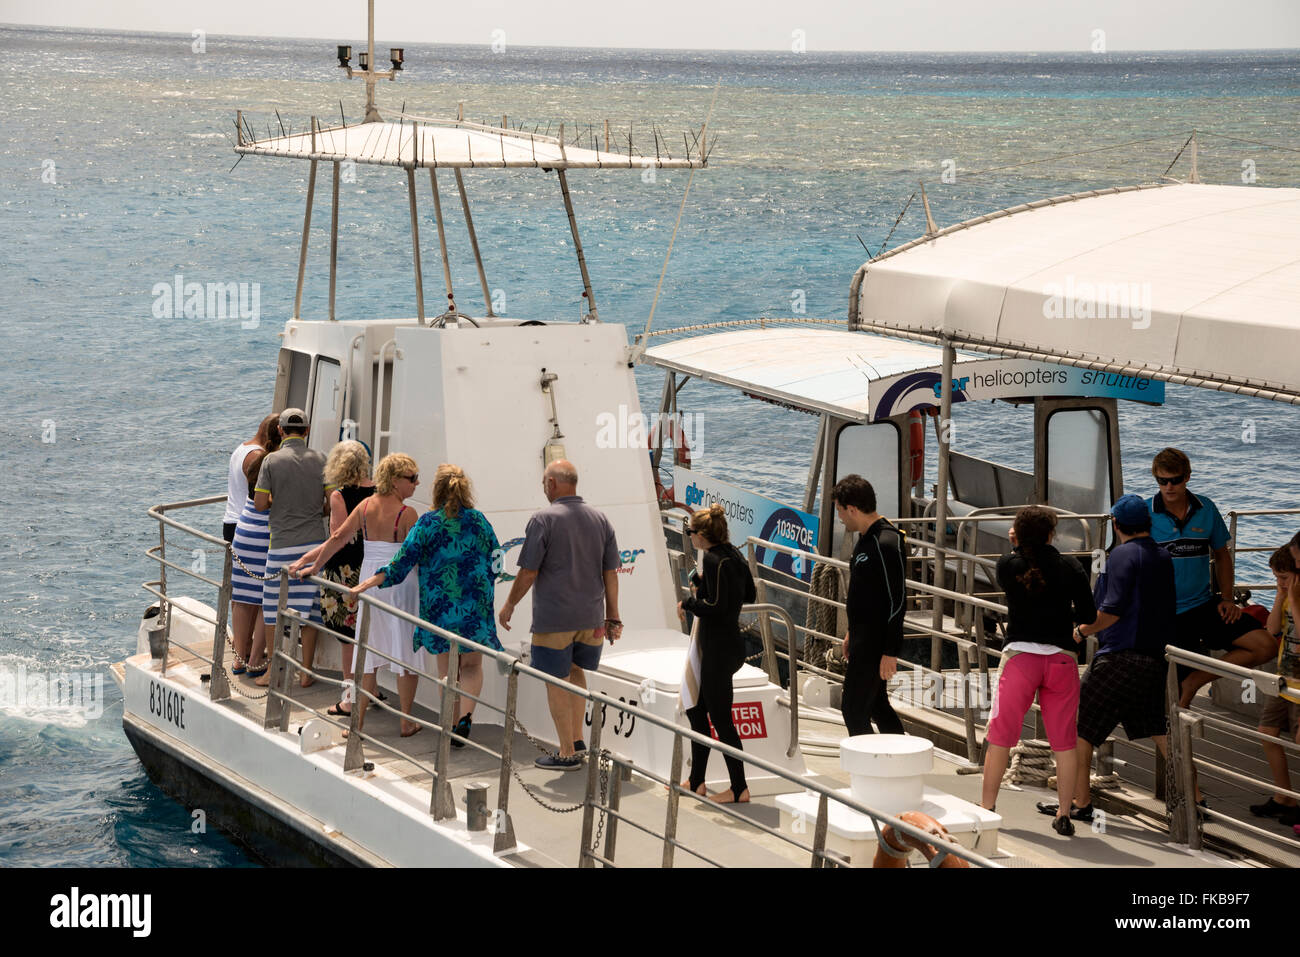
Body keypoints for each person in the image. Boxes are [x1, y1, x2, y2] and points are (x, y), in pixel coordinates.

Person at [1037, 494, 1176, 823]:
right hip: (1153, 657)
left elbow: (1110, 612)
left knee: (1079, 727)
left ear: (1115, 523)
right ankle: (1195, 798)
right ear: (1148, 522)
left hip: (1120, 657)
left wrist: (1081, 631)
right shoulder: (1162, 555)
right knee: (1161, 731)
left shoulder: (1122, 555)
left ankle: (1080, 802)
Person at [353, 464, 504, 746]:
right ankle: (466, 719)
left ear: (437, 490)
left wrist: (366, 584)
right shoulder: (479, 521)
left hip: (441, 607)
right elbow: (497, 558)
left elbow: (400, 564)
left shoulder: (427, 523)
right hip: (475, 605)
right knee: (471, 665)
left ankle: (450, 723)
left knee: (447, 671)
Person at [499, 460, 622, 771]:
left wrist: (510, 604)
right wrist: (613, 617)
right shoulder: (601, 519)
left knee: (556, 680)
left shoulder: (543, 519)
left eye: (544, 482)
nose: (543, 487)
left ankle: (566, 752)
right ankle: (578, 739)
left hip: (554, 619)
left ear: (552, 484)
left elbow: (528, 572)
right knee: (577, 672)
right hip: (592, 618)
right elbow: (611, 573)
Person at [982, 505, 1097, 836]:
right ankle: (1063, 813)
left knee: (1001, 735)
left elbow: (1018, 567)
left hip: (1020, 659)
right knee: (1064, 741)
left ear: (1017, 535)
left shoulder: (1007, 564)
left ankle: (987, 806)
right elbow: (1088, 615)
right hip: (1061, 659)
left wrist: (1016, 546)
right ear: (1051, 534)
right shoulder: (1071, 566)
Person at [293, 453, 419, 730]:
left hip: (369, 579)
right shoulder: (408, 514)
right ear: (396, 481)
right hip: (399, 583)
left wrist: (314, 567)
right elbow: (417, 556)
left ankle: (358, 722)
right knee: (405, 652)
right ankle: (406, 721)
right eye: (412, 479)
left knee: (368, 652)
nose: (417, 484)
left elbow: (337, 538)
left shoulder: (365, 505)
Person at [1147, 448, 1276, 707]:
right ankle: (1169, 744)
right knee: (1171, 700)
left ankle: (1196, 680)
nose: (1169, 486)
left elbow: (1222, 555)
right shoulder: (1145, 513)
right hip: (1163, 613)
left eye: (1175, 479)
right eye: (1162, 481)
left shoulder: (1206, 509)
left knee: (1264, 646)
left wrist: (1227, 597)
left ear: (1188, 477)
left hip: (1202, 606)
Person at [676, 503, 757, 804]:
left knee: (721, 720)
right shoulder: (733, 554)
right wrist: (702, 585)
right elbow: (747, 594)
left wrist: (689, 603)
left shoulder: (712, 558)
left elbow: (717, 608)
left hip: (717, 649)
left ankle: (739, 788)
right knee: (698, 711)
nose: (689, 536)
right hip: (727, 645)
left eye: (690, 532)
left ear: (702, 535)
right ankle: (697, 780)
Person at [254, 408, 330, 688]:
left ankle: (273, 670)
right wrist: (312, 509)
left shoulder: (271, 461)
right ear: (306, 431)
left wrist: (281, 503)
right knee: (310, 611)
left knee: (273, 610)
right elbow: (331, 501)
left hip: (282, 545)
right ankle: (307, 672)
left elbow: (260, 504)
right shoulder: (321, 459)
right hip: (314, 544)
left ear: (281, 431)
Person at [832, 474, 907, 737]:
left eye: (840, 511)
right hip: (862, 637)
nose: (839, 518)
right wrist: (852, 632)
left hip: (876, 643)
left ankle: (873, 766)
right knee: (877, 705)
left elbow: (897, 600)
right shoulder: (866, 538)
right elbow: (864, 594)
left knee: (852, 709)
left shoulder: (885, 542)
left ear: (852, 509)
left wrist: (890, 651)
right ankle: (899, 759)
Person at [317, 441, 375, 713]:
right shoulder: (378, 492)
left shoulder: (339, 496)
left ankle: (350, 698)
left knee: (347, 637)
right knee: (370, 632)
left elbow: (340, 537)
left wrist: (313, 562)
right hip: (371, 567)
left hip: (345, 572)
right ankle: (371, 692)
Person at [1248, 545, 1300, 825]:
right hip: (1285, 672)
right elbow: (1273, 630)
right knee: (1267, 731)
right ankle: (1284, 795)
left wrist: (1293, 595)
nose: (1278, 583)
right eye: (1276, 577)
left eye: (1284, 577)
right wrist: (1281, 596)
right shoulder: (1285, 596)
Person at [228, 421, 280, 677]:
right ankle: (256, 658)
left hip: (244, 526)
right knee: (263, 599)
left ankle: (238, 657)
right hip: (265, 530)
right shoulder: (274, 463)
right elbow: (269, 501)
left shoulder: (256, 459)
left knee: (241, 597)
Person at [223, 414, 279, 543]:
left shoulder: (242, 448)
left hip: (232, 520)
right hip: (245, 523)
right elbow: (260, 496)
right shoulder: (257, 457)